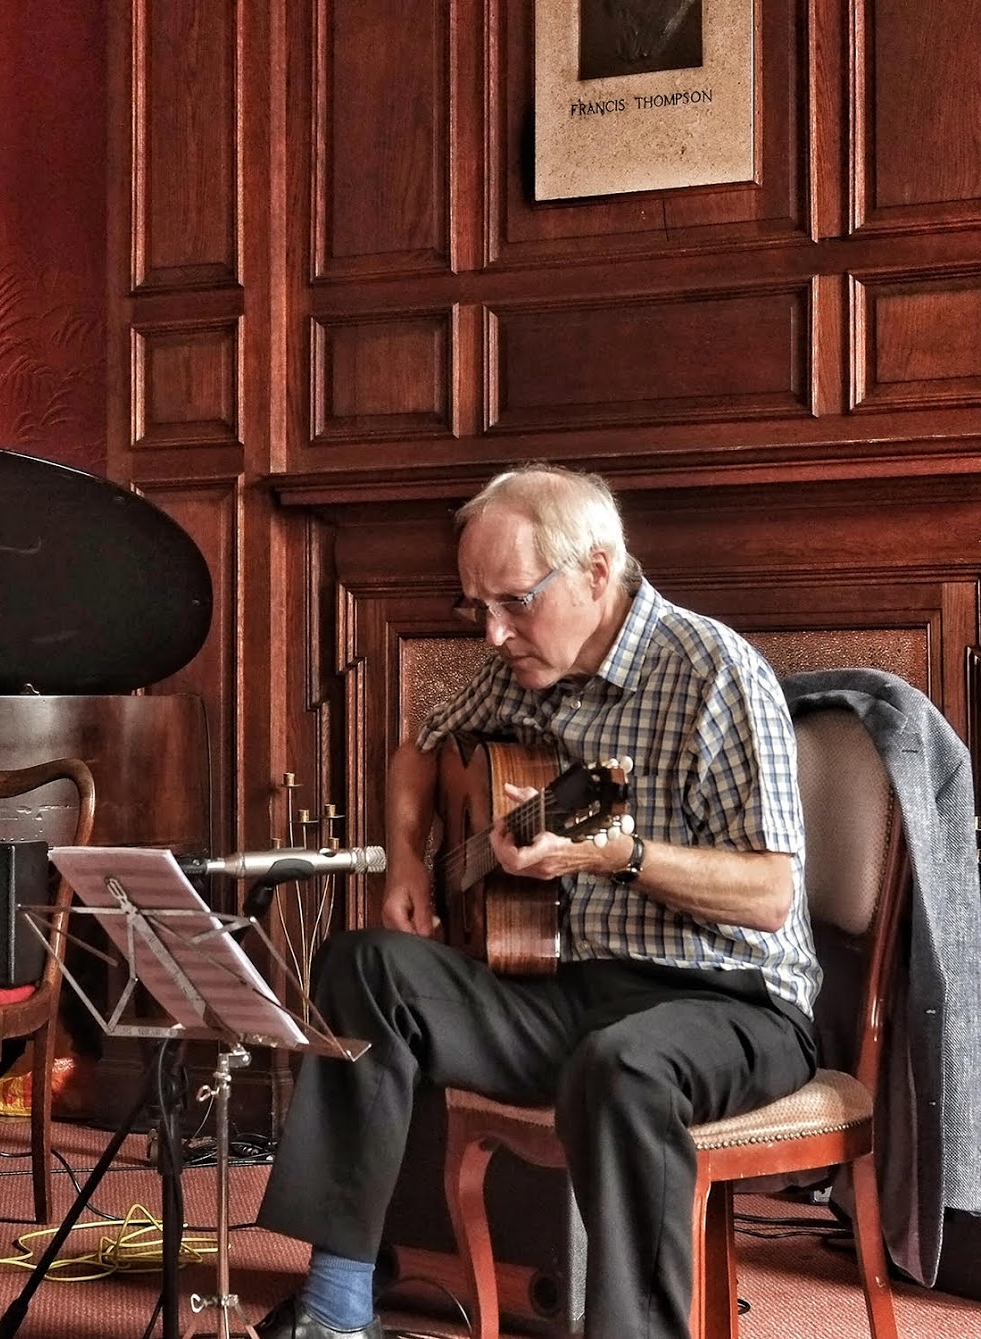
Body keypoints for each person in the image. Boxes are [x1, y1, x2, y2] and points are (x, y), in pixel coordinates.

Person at [254, 464, 822, 1339]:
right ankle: (335, 1312)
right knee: (361, 964)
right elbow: (417, 749)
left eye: (514, 601)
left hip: (732, 1003)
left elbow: (771, 894)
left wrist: (622, 855)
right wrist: (406, 861)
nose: (492, 631)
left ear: (597, 572)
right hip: (573, 992)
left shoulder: (716, 673)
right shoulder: (526, 671)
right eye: (477, 606)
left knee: (622, 1066)